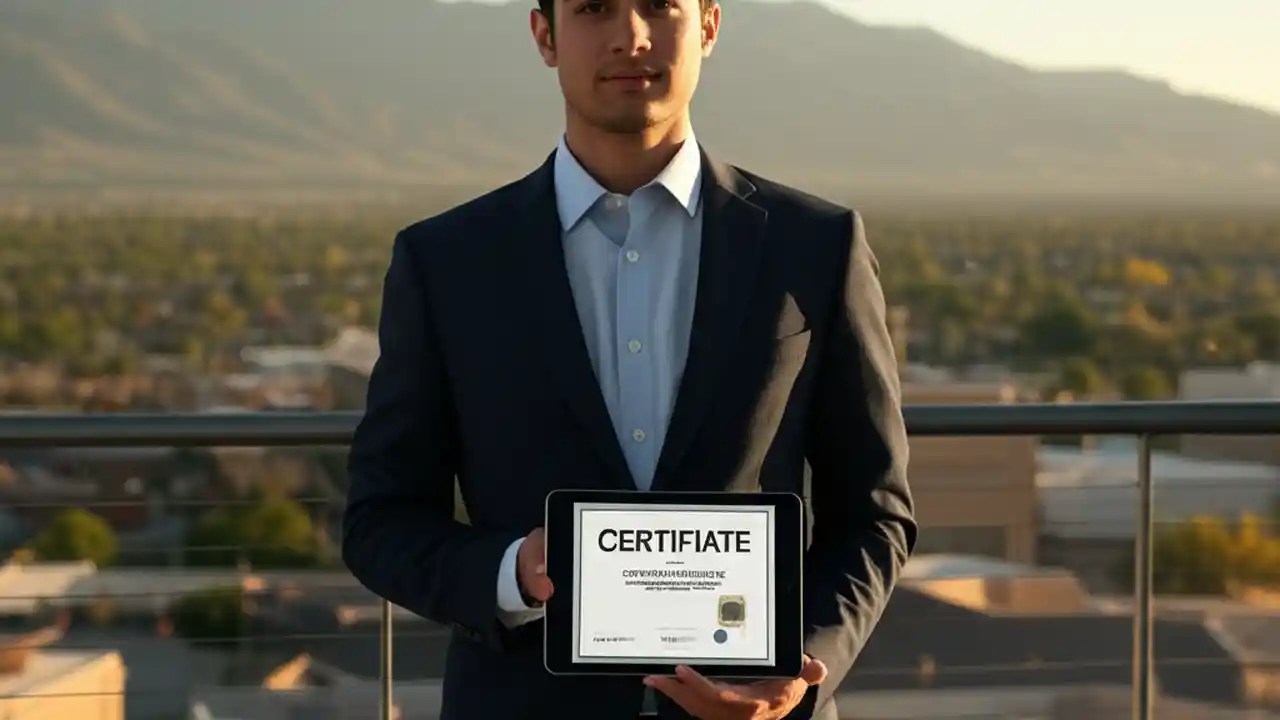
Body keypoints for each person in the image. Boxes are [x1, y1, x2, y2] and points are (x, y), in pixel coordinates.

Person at [342, 0, 916, 715]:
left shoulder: (816, 247)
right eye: (595, 9)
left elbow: (874, 512)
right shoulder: (447, 263)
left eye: (658, 7)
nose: (632, 35)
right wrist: (510, 573)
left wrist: (803, 668)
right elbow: (380, 520)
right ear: (545, 34)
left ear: (708, 24)